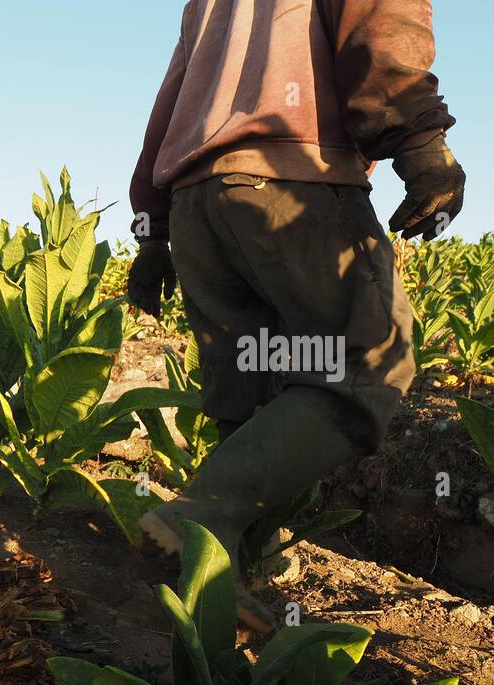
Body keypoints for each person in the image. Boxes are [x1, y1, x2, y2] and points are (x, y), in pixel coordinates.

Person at [126, 0, 465, 630]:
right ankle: (206, 514)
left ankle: (218, 586)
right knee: (365, 366)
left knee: (249, 391)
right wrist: (421, 146)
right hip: (291, 178)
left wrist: (152, 230)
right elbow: (385, 28)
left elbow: (172, 97)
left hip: (198, 199)